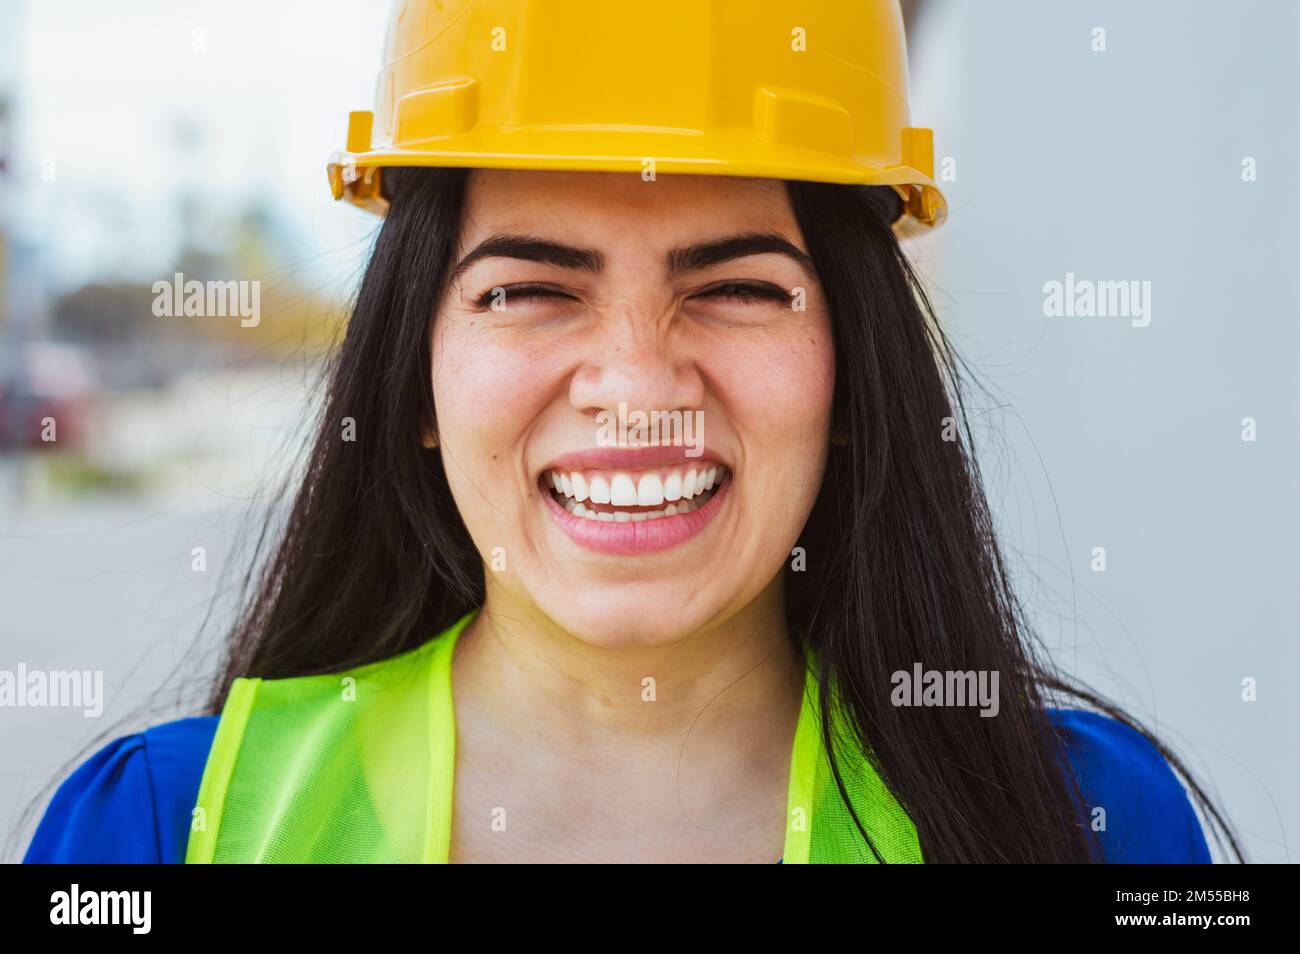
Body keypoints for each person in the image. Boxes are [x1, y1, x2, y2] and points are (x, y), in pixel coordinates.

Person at [25, 0, 1237, 864]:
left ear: (854, 371)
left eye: (739, 286)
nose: (633, 380)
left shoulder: (1085, 821)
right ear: (414, 387)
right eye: (530, 289)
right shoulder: (158, 834)